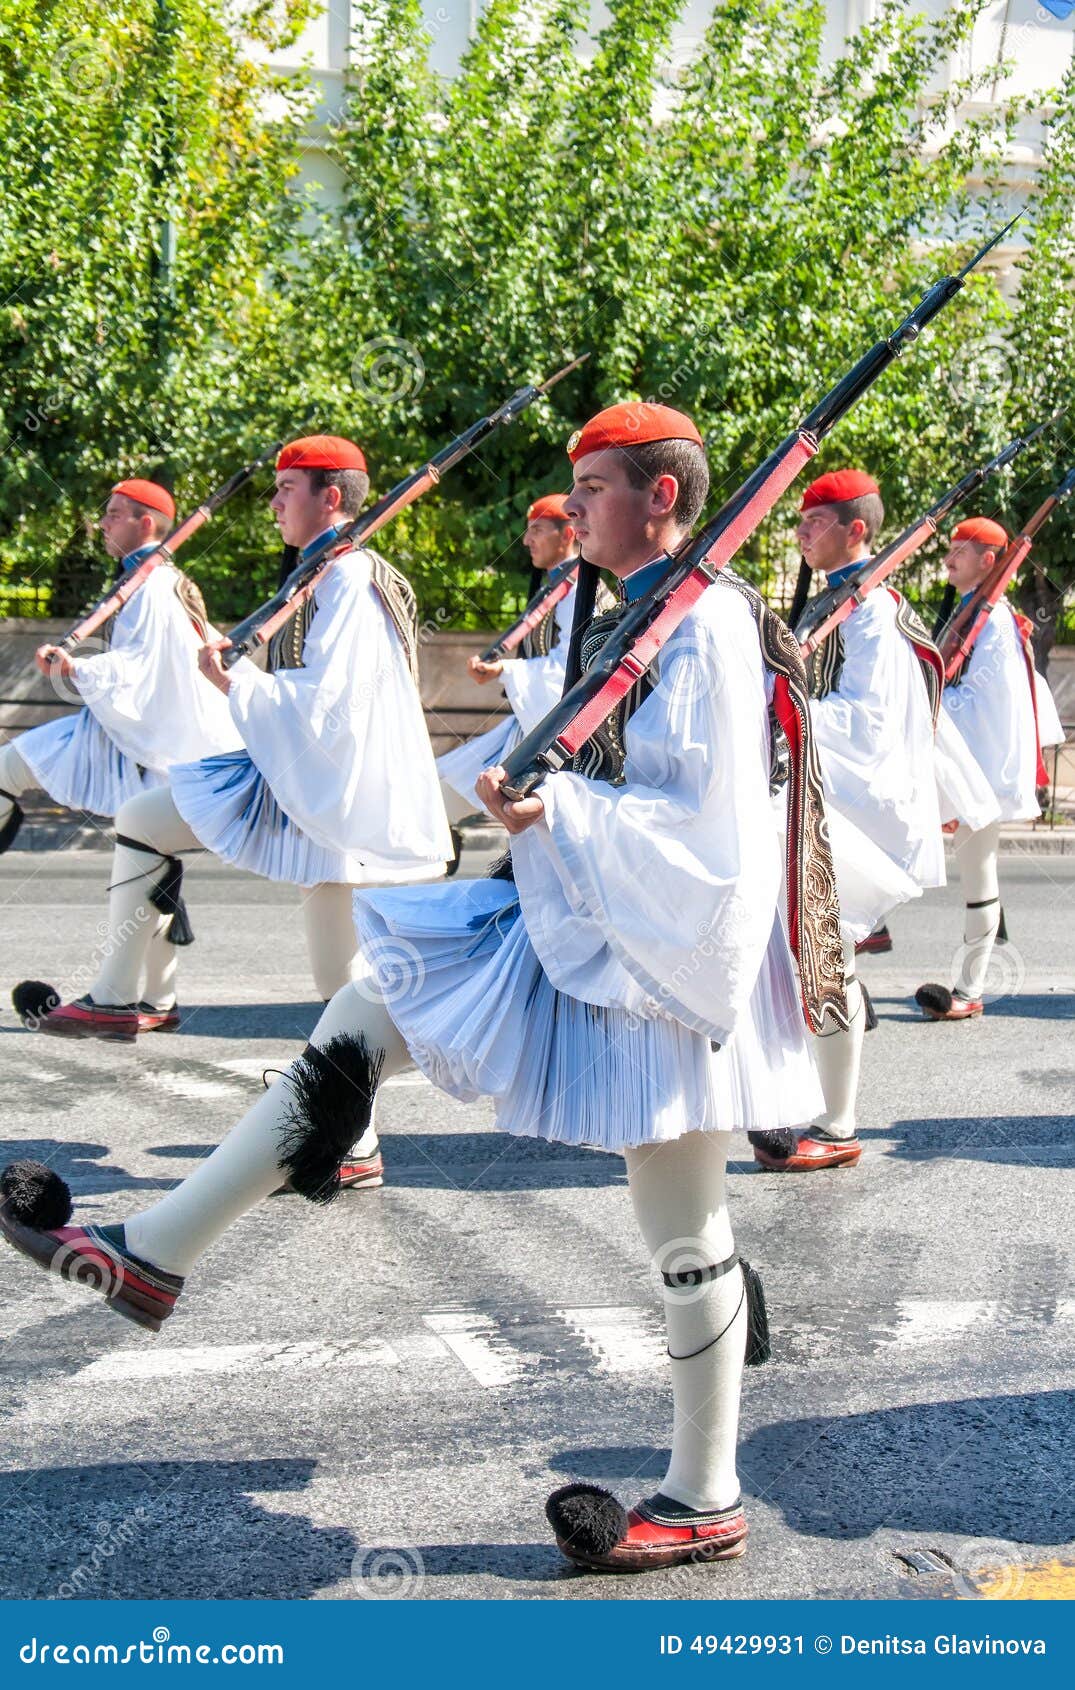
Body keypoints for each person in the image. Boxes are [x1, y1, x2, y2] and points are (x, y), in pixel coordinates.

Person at [0, 401, 846, 1572]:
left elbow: (703, 821)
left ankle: (705, 1494)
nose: (573, 504)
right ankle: (154, 1250)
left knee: (683, 1223)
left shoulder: (702, 627)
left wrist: (562, 806)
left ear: (661, 496)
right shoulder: (641, 608)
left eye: (595, 485)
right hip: (585, 910)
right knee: (361, 1008)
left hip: (660, 948)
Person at [20, 438, 451, 1061]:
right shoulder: (329, 571)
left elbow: (331, 704)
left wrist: (237, 682)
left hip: (338, 798)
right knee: (145, 820)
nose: (273, 505)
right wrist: (233, 657)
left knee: (344, 988)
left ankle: (362, 1124)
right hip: (304, 777)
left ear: (329, 498)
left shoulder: (351, 577)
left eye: (286, 490)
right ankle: (119, 998)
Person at [750, 469, 944, 1172]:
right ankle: (799, 1102)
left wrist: (773, 712)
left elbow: (868, 726)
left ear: (855, 529)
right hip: (802, 793)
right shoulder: (833, 605)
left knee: (822, 951)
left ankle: (835, 1125)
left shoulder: (871, 613)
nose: (800, 532)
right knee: (797, 953)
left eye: (815, 520)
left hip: (839, 807)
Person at [1, 478, 242, 1033]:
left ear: (147, 522)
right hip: (135, 735)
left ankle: (125, 1000)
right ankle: (156, 1000)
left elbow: (147, 672)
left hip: (151, 738)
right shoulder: (150, 580)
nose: (104, 523)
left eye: (114, 513)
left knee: (144, 868)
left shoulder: (155, 586)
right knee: (148, 873)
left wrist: (77, 668)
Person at [915, 516, 1063, 1021]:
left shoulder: (992, 620)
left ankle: (968, 989)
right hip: (969, 763)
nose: (949, 558)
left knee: (979, 870)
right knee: (977, 869)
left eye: (961, 550)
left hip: (978, 766)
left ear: (988, 561)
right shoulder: (972, 611)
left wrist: (927, 702)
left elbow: (987, 705)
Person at [436, 493, 612, 841]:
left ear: (567, 535)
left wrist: (505, 671)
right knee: (447, 789)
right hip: (533, 721)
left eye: (537, 530)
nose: (527, 540)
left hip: (555, 730)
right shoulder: (559, 585)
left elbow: (571, 668)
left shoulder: (578, 588)